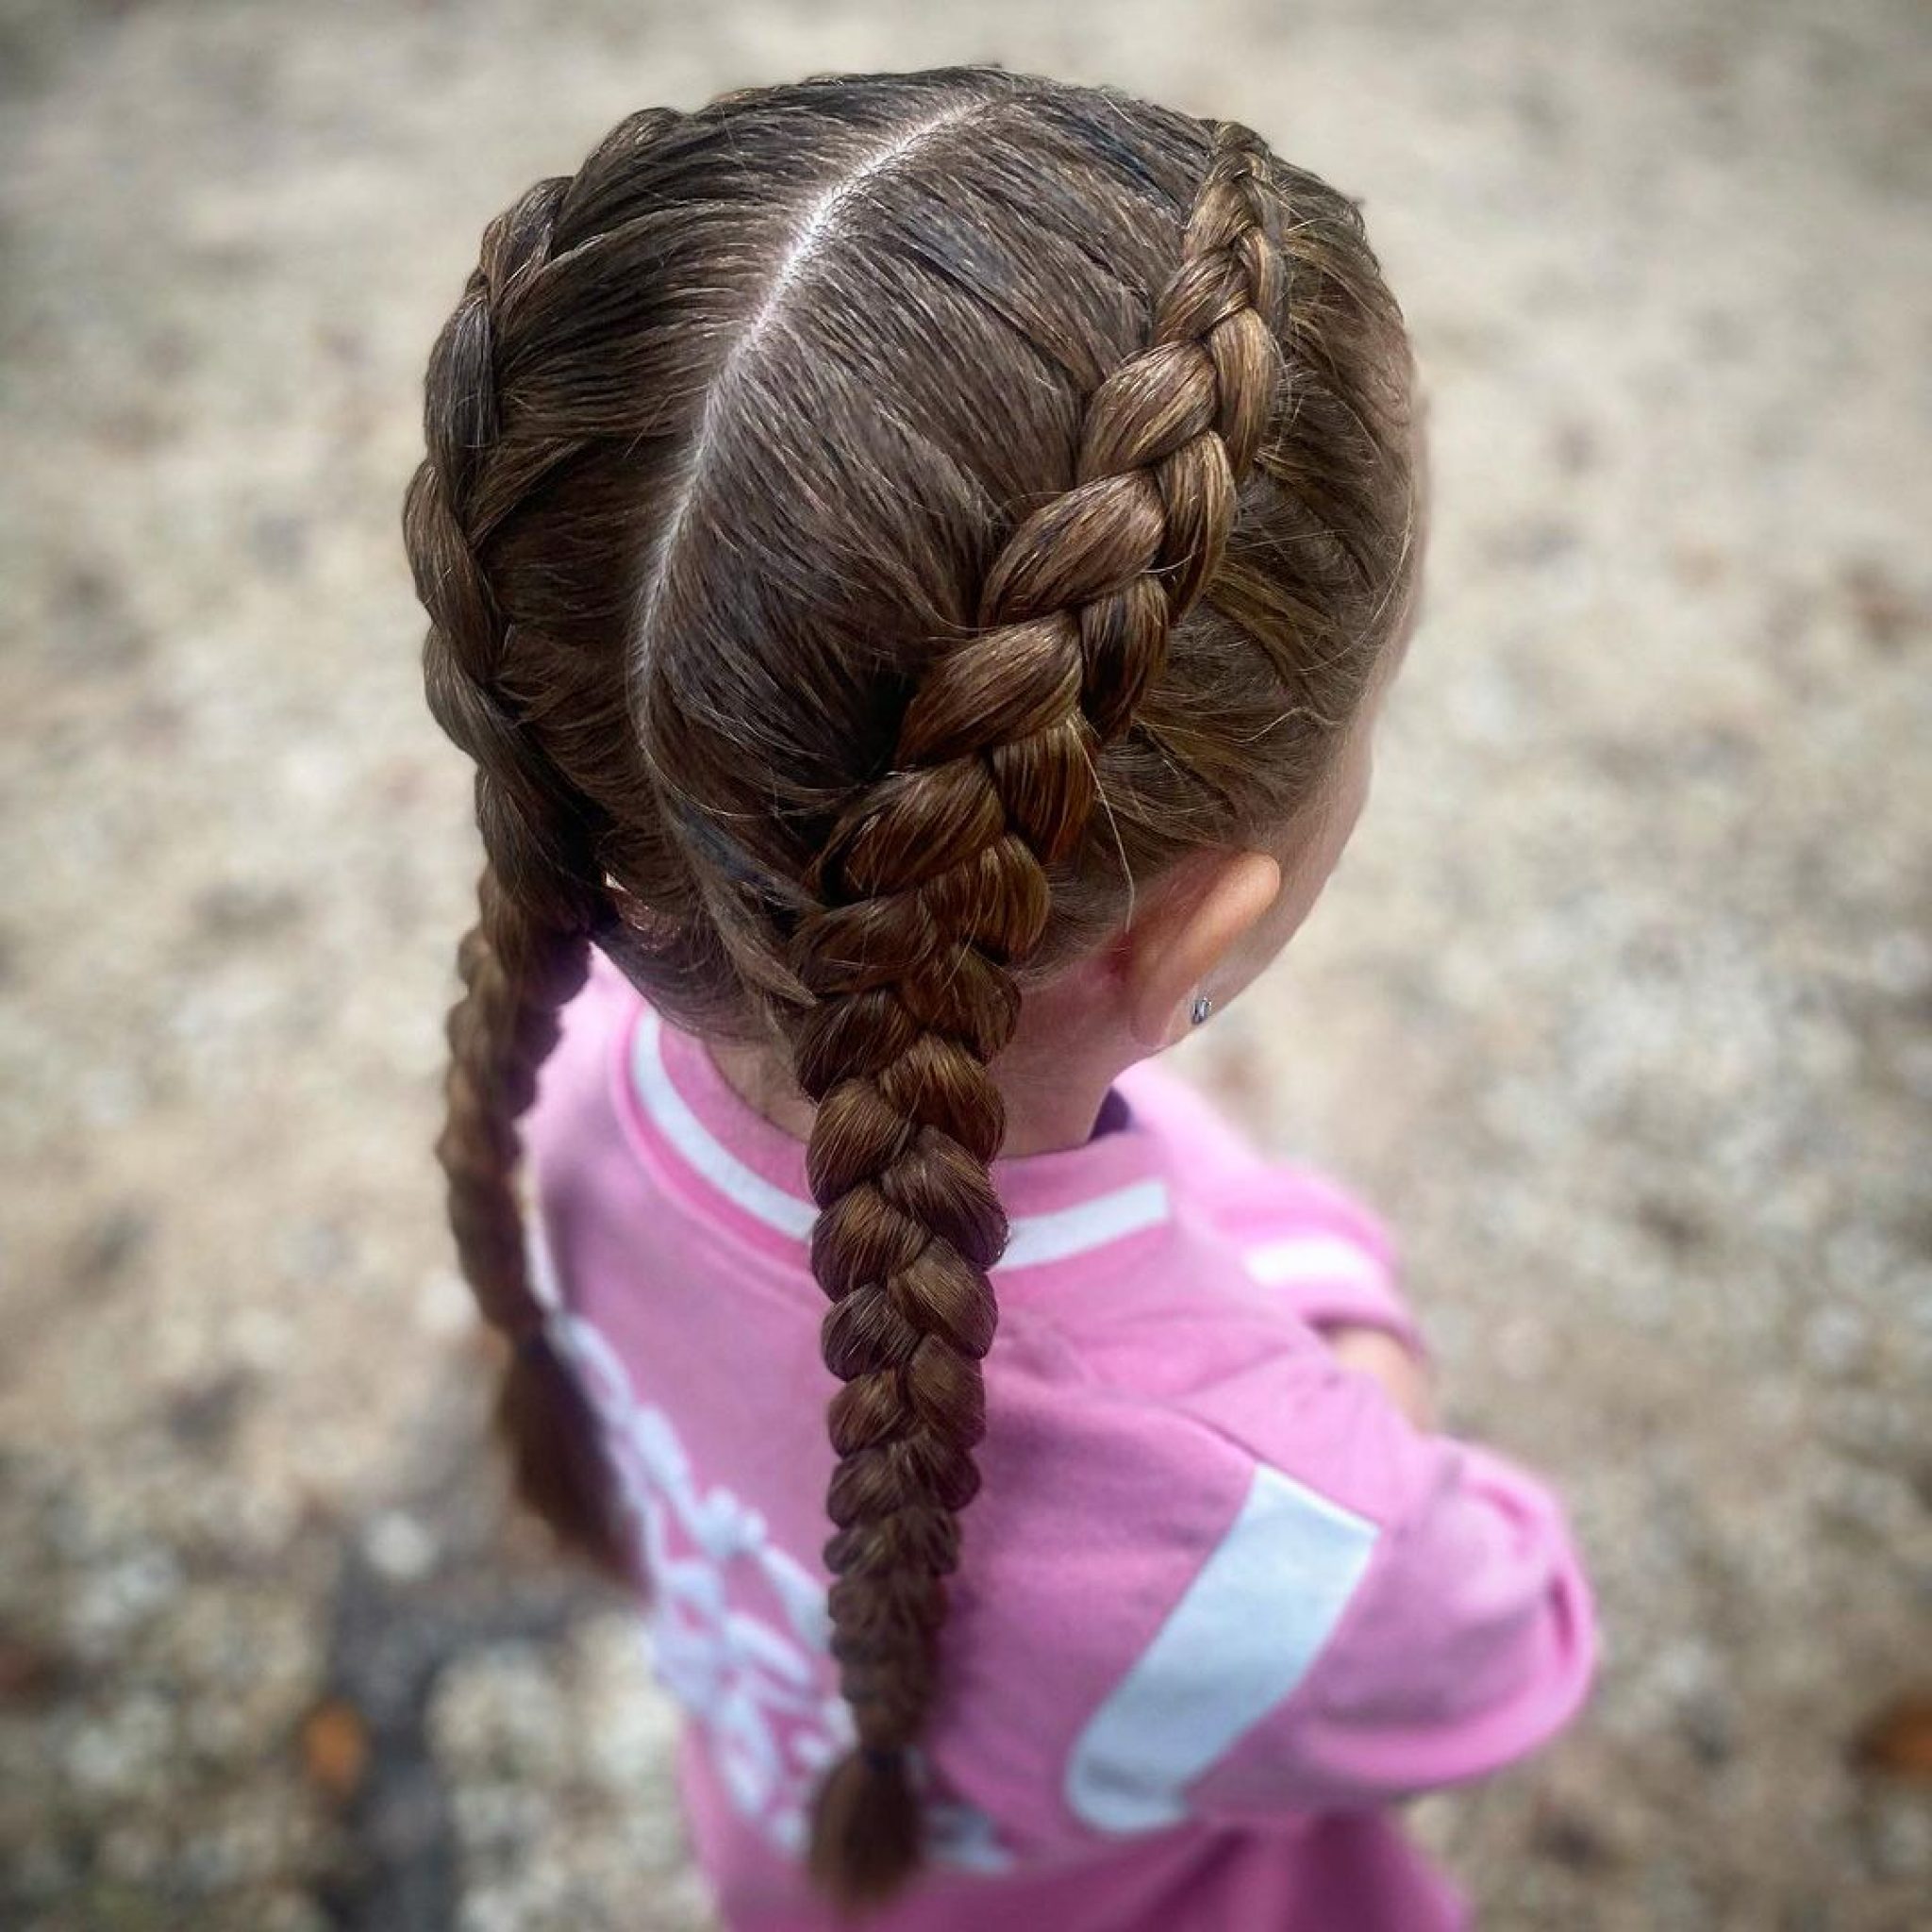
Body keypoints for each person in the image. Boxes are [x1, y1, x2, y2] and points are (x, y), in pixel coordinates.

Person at [401, 66, 1596, 1929]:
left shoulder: (563, 1103)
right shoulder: (1271, 1521)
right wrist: (1344, 1317)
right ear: (1192, 945)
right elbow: (1509, 1632)